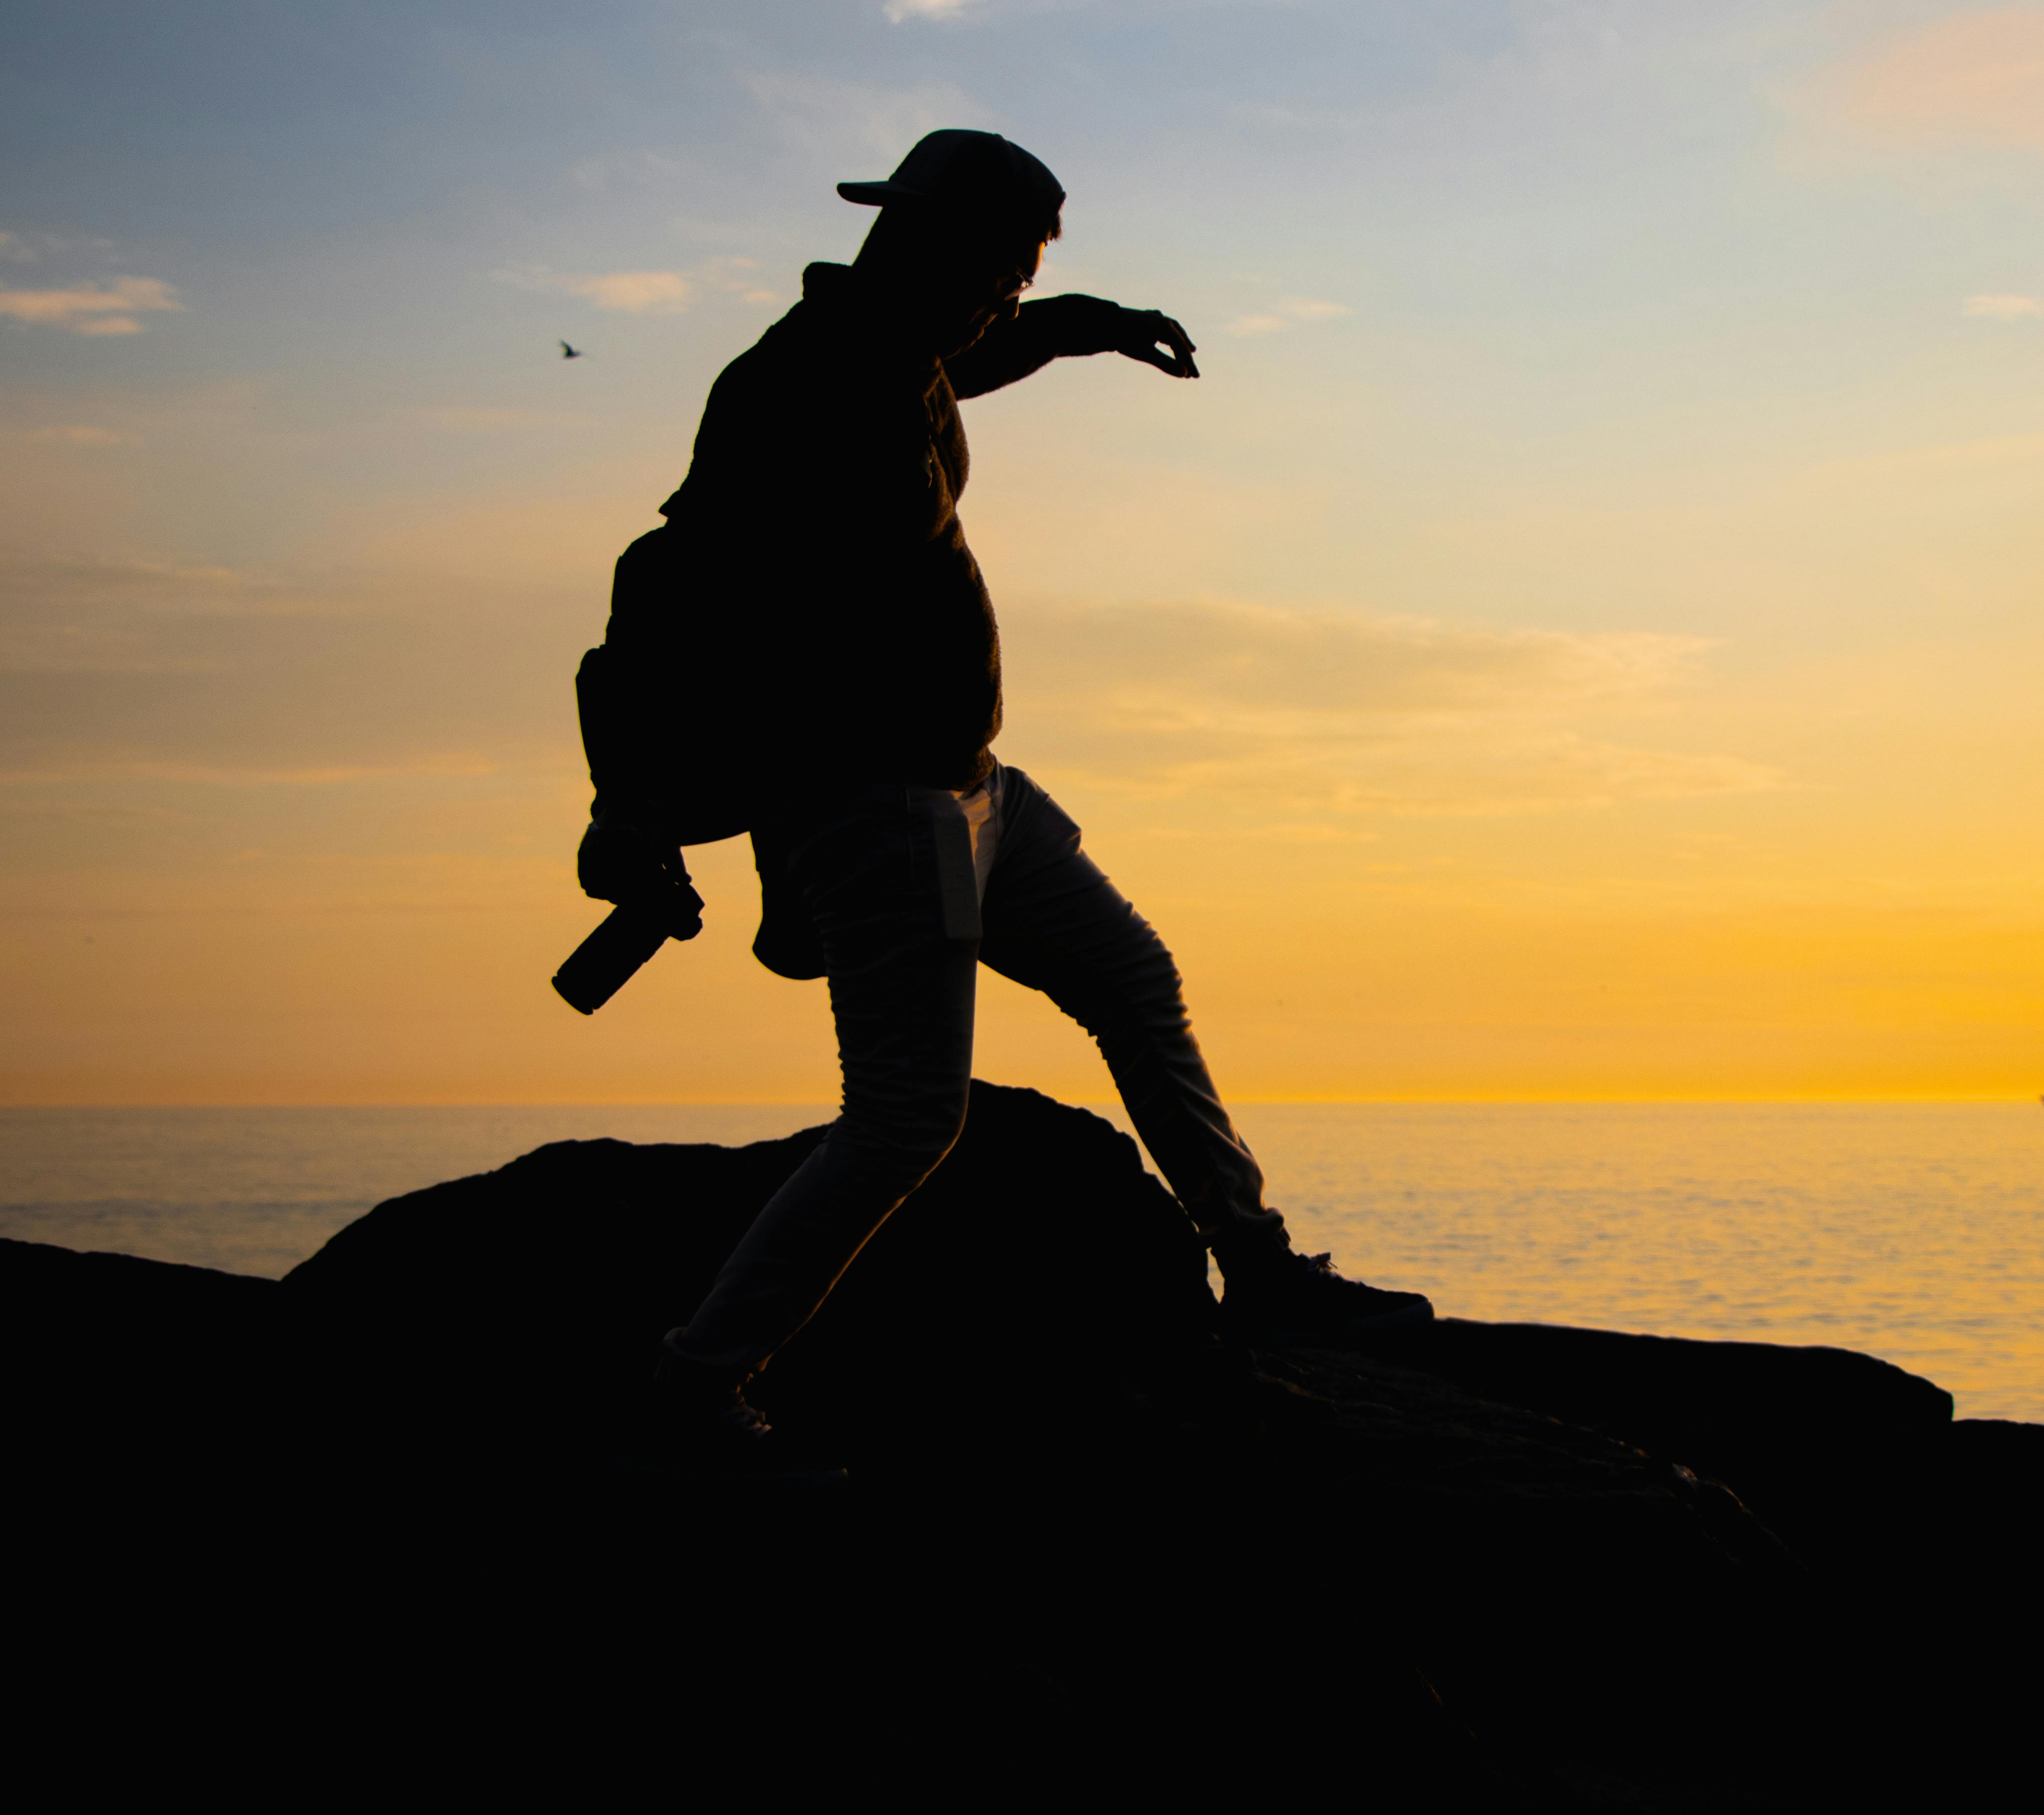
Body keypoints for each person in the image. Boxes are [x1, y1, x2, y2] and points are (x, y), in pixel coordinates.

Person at [574, 130, 1431, 1476]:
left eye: (1025, 284)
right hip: (871, 803)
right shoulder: (799, 384)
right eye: (1007, 276)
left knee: (1135, 981)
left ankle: (1260, 1270)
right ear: (930, 248)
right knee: (907, 1119)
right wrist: (625, 805)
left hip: (977, 794)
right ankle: (693, 1380)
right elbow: (658, 587)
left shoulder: (908, 352)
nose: (1009, 306)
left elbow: (984, 359)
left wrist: (1096, 328)